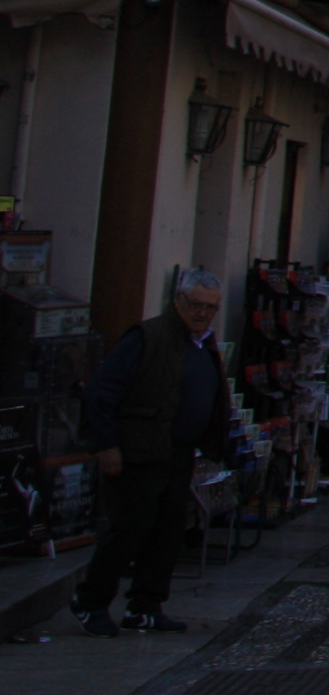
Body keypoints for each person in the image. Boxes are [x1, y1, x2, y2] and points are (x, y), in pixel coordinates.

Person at [68, 272, 228, 636]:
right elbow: (103, 393)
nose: (203, 313)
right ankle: (91, 599)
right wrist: (108, 444)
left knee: (167, 532)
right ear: (179, 301)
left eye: (211, 308)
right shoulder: (148, 336)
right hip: (139, 452)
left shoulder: (202, 343)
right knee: (129, 529)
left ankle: (146, 605)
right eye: (197, 305)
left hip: (177, 453)